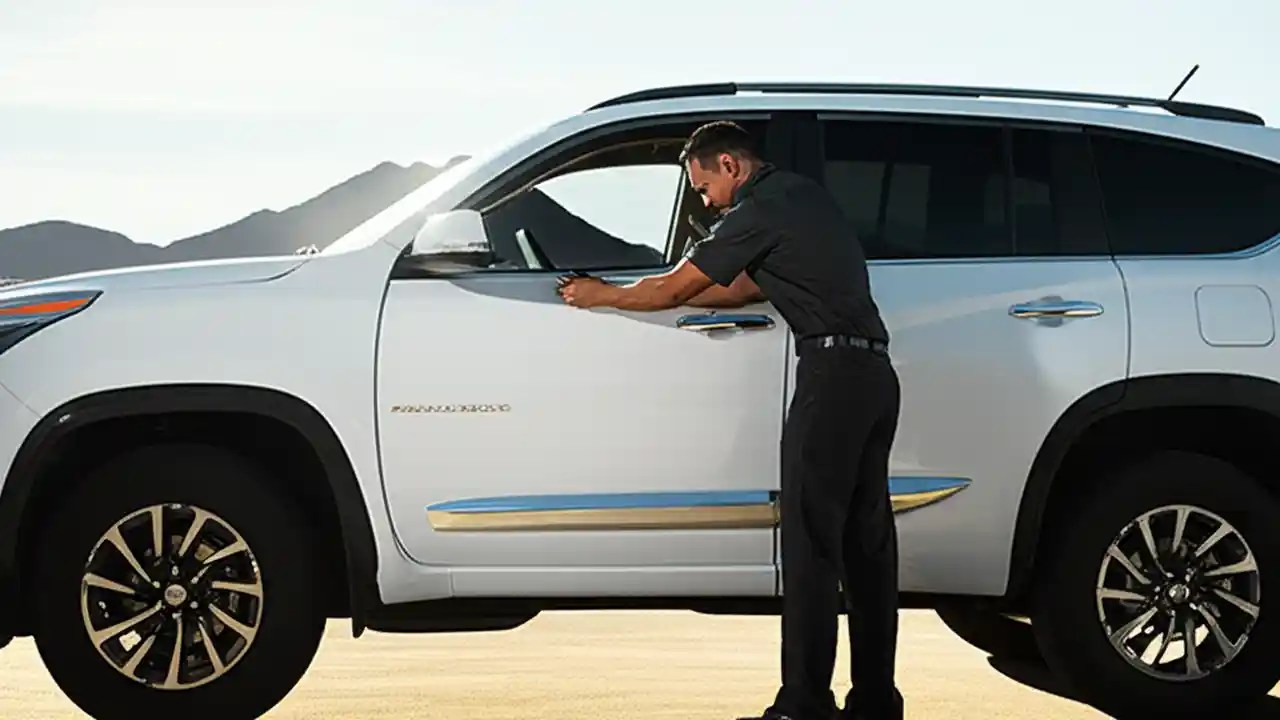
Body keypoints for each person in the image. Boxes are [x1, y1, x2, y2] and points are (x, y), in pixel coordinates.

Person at [556, 120, 903, 720]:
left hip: (830, 378)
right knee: (866, 548)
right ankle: (875, 702)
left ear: (730, 165)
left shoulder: (758, 207)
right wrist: (675, 290)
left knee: (811, 542)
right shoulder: (802, 198)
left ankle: (803, 704)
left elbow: (671, 289)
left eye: (703, 184)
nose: (702, 198)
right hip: (874, 378)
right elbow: (740, 291)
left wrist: (603, 293)